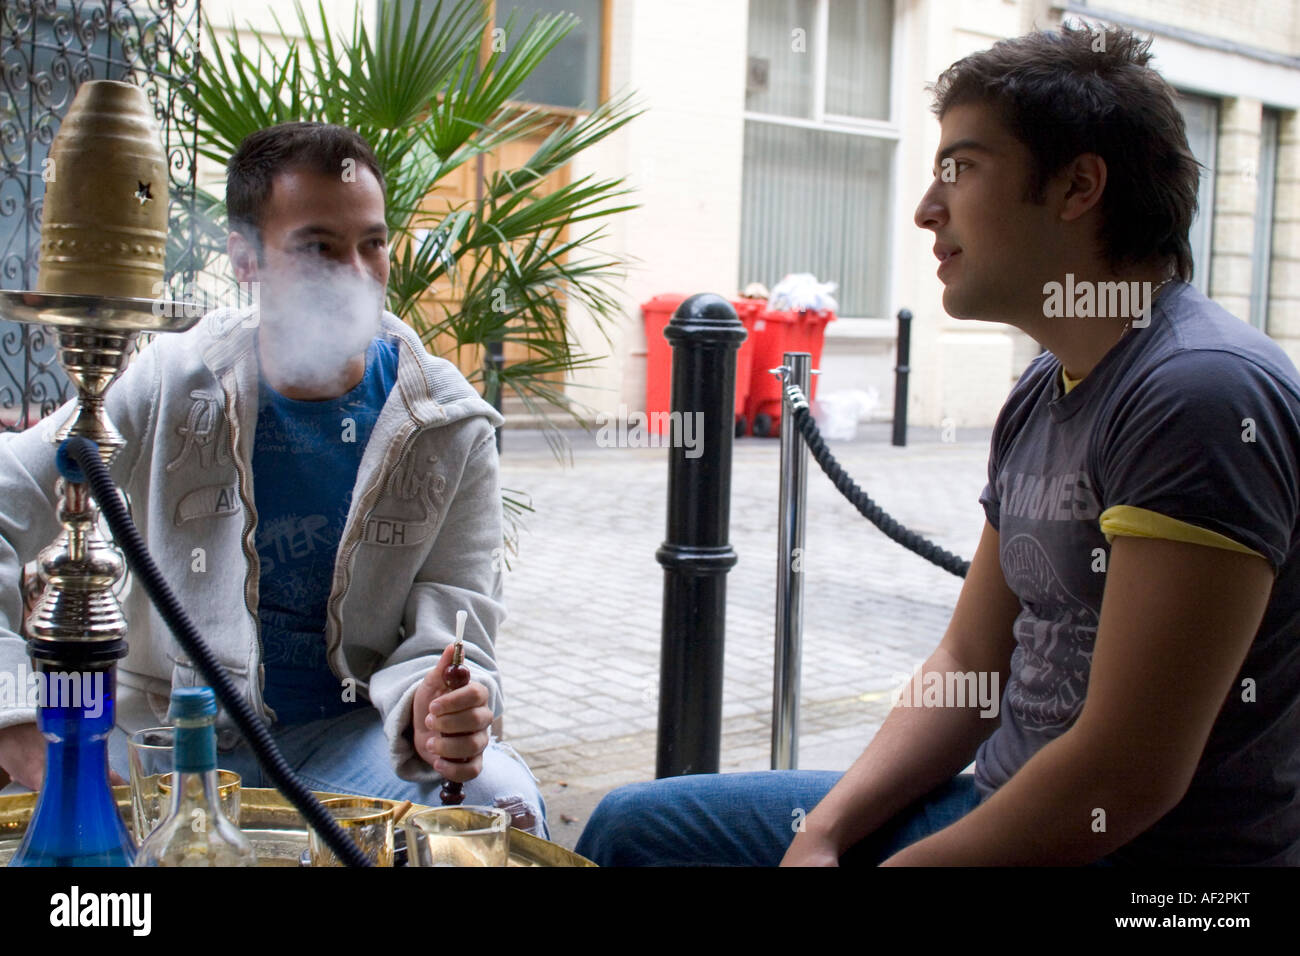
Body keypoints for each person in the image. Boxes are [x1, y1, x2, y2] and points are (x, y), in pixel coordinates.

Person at [576, 24, 1300, 866]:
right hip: (996, 801)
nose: (926, 208)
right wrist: (826, 832)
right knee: (636, 830)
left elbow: (1123, 777)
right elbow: (971, 661)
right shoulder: (1048, 384)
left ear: (1078, 187)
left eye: (962, 168)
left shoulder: (1198, 394)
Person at [0, 122, 547, 836]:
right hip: (164, 732)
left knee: (499, 813)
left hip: (347, 740)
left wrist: (435, 711)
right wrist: (15, 713)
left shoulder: (447, 424)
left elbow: (456, 633)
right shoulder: (172, 378)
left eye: (372, 244)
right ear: (246, 258)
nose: (357, 273)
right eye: (320, 247)